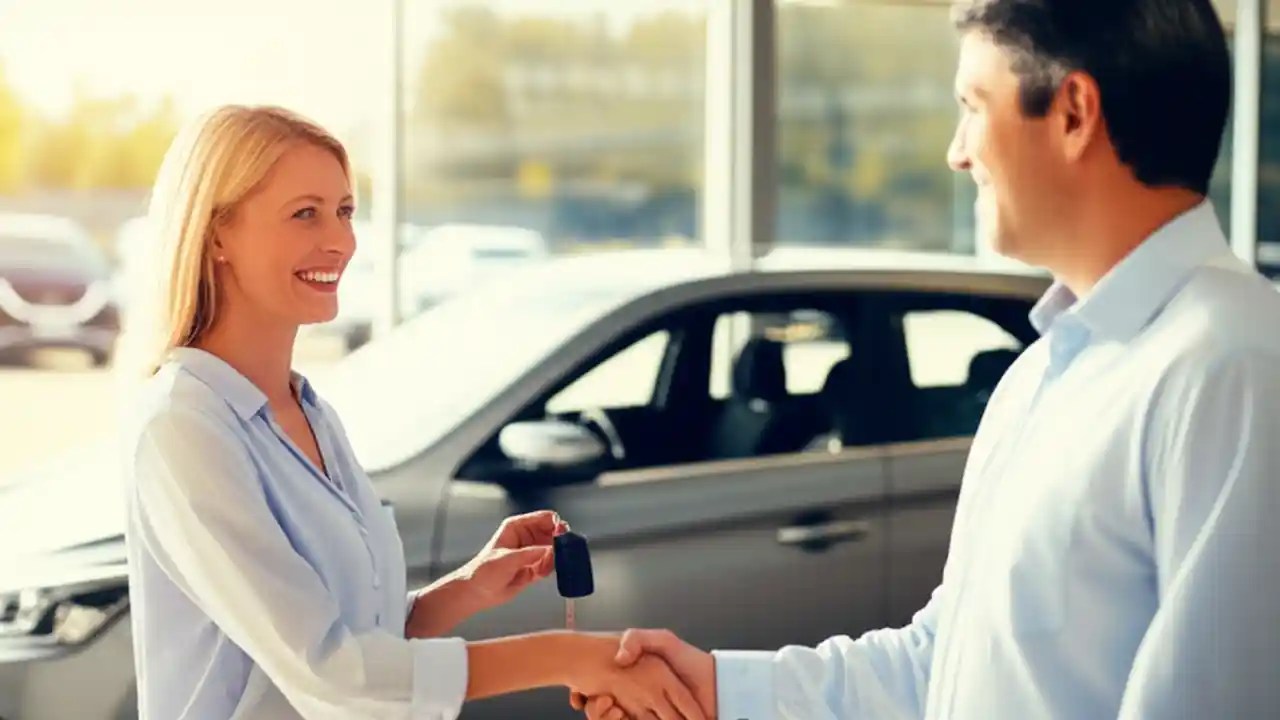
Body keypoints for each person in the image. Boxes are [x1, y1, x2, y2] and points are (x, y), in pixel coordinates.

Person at [577, 0, 1280, 718]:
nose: (958, 150)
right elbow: (939, 665)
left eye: (973, 106)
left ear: (1073, 112)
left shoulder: (1236, 367)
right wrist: (714, 689)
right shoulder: (1046, 374)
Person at [119, 104, 705, 720]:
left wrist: (466, 588)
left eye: (345, 211)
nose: (340, 241)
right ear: (216, 235)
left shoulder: (310, 411)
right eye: (305, 214)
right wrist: (567, 655)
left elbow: (359, 635)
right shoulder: (183, 425)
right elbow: (332, 671)